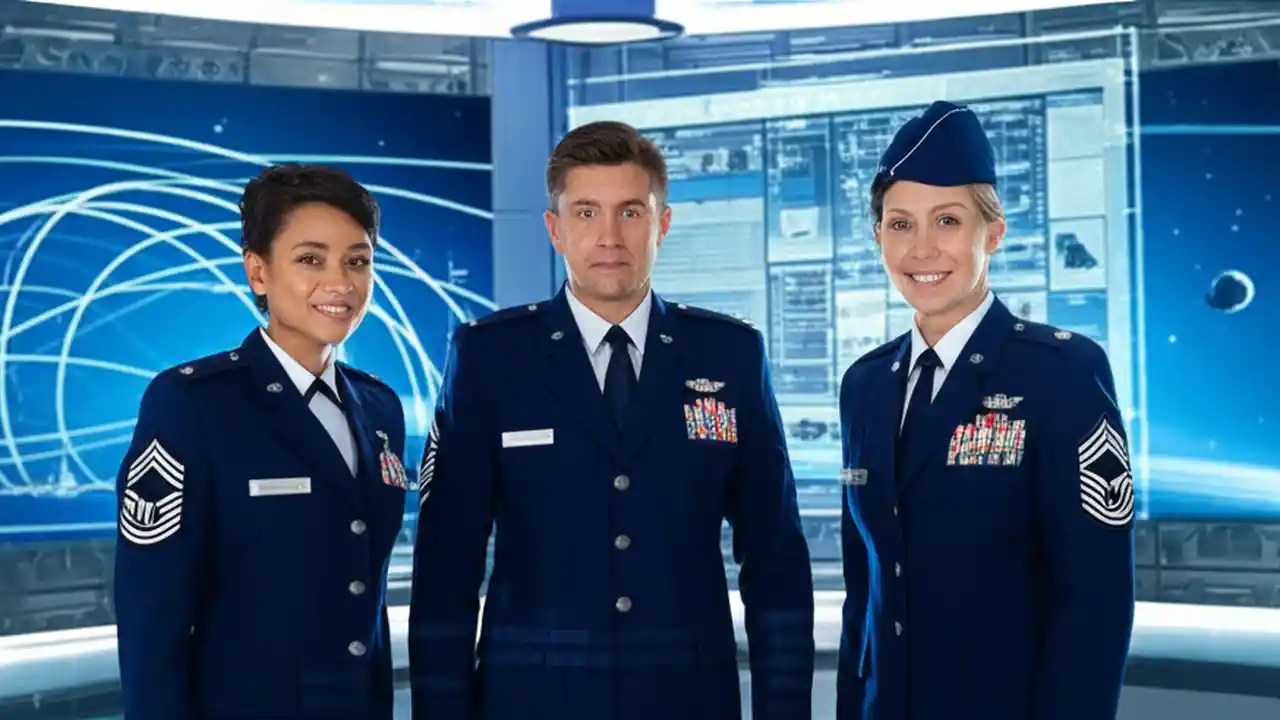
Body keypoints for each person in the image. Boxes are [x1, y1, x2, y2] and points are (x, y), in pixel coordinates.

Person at [408, 120, 814, 720]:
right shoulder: (490, 358)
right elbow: (447, 564)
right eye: (586, 213)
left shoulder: (727, 355)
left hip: (688, 700)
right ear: (555, 229)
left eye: (630, 212)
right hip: (533, 701)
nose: (609, 237)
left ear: (662, 224)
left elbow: (774, 555)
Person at [835, 100, 1135, 720]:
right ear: (877, 238)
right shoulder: (864, 386)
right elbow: (864, 597)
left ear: (992, 234)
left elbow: (1096, 600)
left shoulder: (1061, 373)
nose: (921, 249)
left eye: (947, 220)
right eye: (899, 224)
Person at [114, 164, 411, 719]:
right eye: (309, 259)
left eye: (357, 260)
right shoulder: (194, 405)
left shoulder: (379, 408)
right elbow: (151, 613)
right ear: (257, 271)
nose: (341, 283)